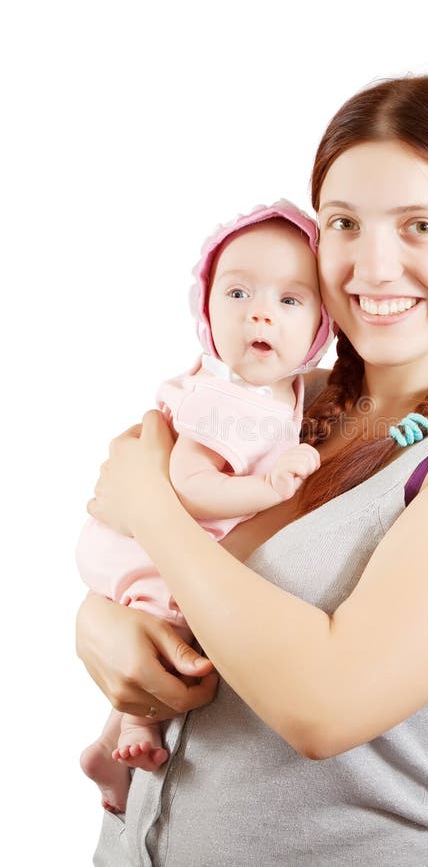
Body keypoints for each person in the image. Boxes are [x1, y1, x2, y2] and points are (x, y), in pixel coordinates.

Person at [77, 75, 428, 866]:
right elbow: (127, 521)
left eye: (419, 225)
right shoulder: (282, 399)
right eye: (344, 223)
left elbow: (321, 704)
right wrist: (99, 626)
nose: (372, 268)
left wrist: (154, 508)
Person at [77, 200, 335, 815]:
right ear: (206, 307)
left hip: (163, 538)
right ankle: (133, 731)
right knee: (169, 635)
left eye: (291, 300)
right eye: (238, 292)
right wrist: (269, 488)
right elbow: (188, 483)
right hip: (148, 549)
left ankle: (103, 754)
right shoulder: (230, 397)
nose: (260, 312)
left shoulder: (282, 391)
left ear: (322, 325)